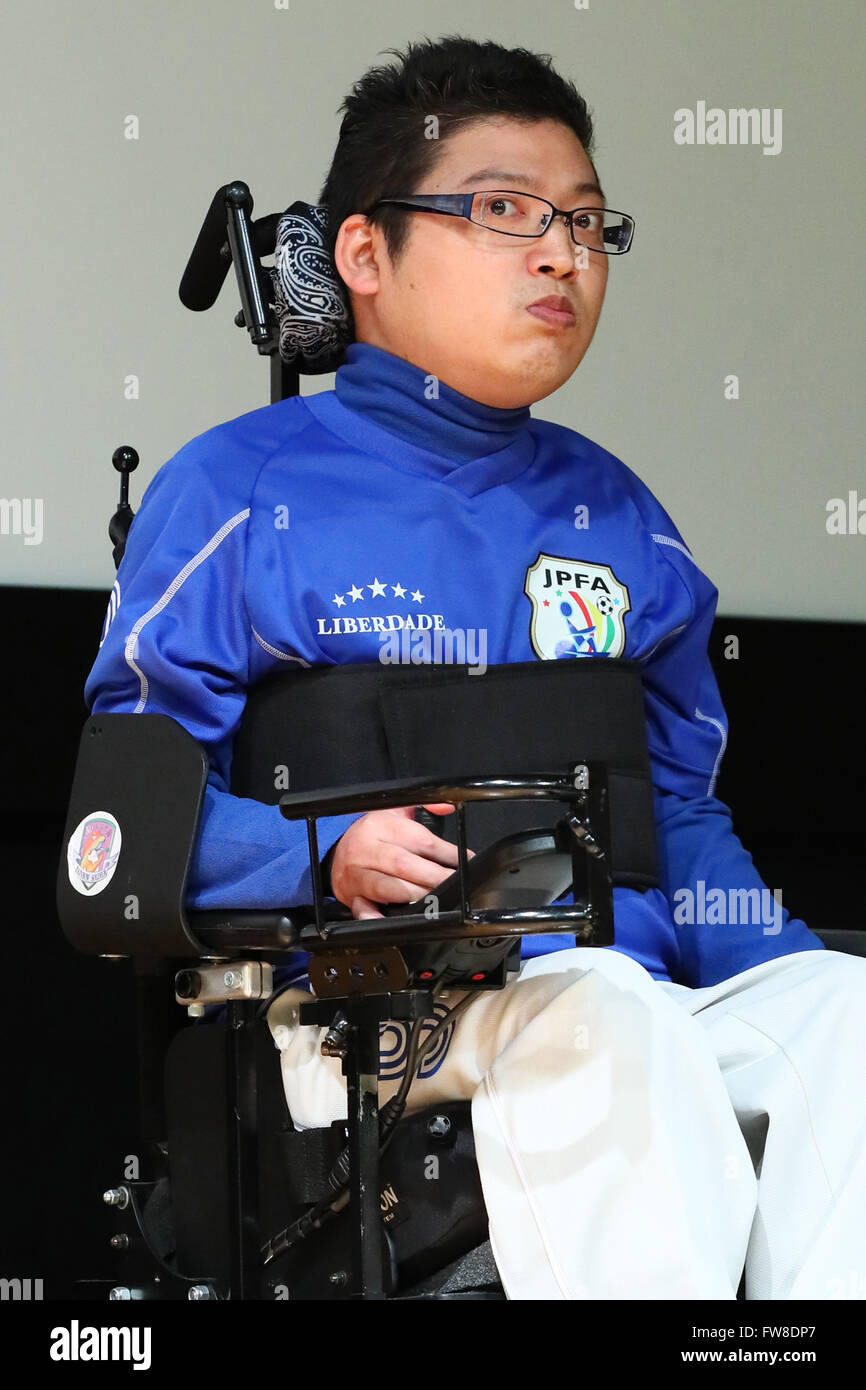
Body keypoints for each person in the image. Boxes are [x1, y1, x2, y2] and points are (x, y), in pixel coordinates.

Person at [84, 36, 866, 1300]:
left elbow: (673, 816)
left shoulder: (623, 522)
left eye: (587, 223)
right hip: (358, 1024)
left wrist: (780, 969)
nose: (562, 253)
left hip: (622, 1001)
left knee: (843, 1016)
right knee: (606, 1014)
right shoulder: (240, 489)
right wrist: (315, 856)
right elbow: (117, 825)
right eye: (504, 211)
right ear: (364, 254)